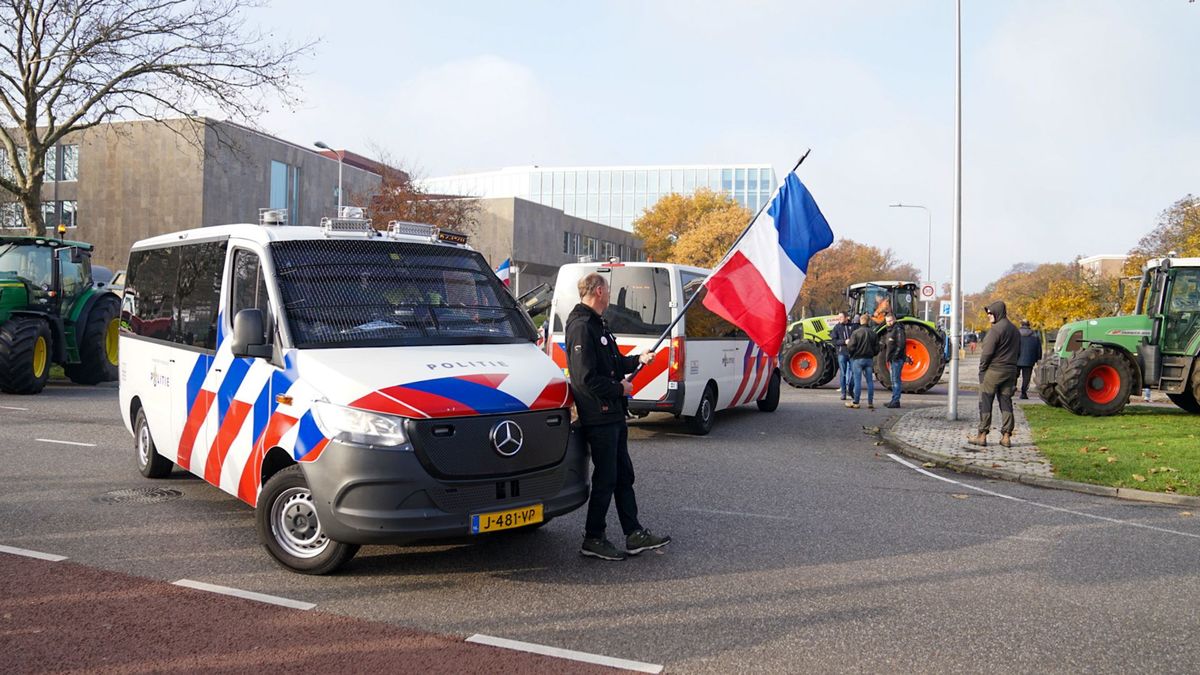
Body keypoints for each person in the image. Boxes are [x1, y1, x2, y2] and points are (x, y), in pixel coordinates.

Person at [566, 272, 671, 561]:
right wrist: (618, 388)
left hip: (612, 414)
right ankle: (593, 538)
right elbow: (585, 378)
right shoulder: (581, 326)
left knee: (624, 475)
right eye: (608, 290)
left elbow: (612, 363)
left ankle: (634, 533)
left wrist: (639, 359)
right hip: (598, 416)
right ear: (599, 291)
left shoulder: (598, 324)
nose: (610, 295)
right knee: (606, 477)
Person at [968, 301, 1021, 448]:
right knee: (1006, 402)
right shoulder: (1015, 330)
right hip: (1010, 371)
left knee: (985, 401)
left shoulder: (995, 330)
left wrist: (982, 370)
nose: (988, 315)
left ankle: (982, 435)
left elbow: (987, 352)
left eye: (991, 313)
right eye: (988, 313)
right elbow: (1019, 352)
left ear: (998, 312)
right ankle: (1006, 436)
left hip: (994, 371)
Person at [844, 313, 878, 409]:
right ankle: (870, 402)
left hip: (858, 359)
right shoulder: (873, 333)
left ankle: (856, 401)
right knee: (870, 381)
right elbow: (877, 348)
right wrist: (872, 354)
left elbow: (851, 347)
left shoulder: (856, 333)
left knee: (857, 381)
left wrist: (852, 354)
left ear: (860, 321)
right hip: (869, 359)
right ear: (869, 321)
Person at [829, 312, 855, 401]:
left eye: (841, 317)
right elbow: (834, 341)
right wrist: (844, 342)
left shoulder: (853, 326)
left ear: (846, 317)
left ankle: (850, 389)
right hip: (842, 353)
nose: (839, 318)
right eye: (838, 317)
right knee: (843, 373)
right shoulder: (837, 327)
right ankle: (843, 392)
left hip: (852, 353)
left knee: (854, 372)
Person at [882, 313, 906, 408]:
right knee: (893, 380)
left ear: (894, 319)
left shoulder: (898, 329)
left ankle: (896, 401)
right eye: (887, 321)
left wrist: (895, 356)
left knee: (896, 380)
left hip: (897, 359)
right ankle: (894, 399)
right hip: (892, 359)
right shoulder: (890, 330)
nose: (889, 323)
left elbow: (901, 344)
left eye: (890, 321)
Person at [1016, 319, 1042, 399]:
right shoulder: (1035, 335)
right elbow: (1038, 348)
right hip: (1029, 359)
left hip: (1016, 359)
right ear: (1029, 325)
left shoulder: (1016, 334)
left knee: (1014, 375)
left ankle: (1012, 389)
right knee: (1026, 378)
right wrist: (1038, 358)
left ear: (1021, 325)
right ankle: (1023, 393)